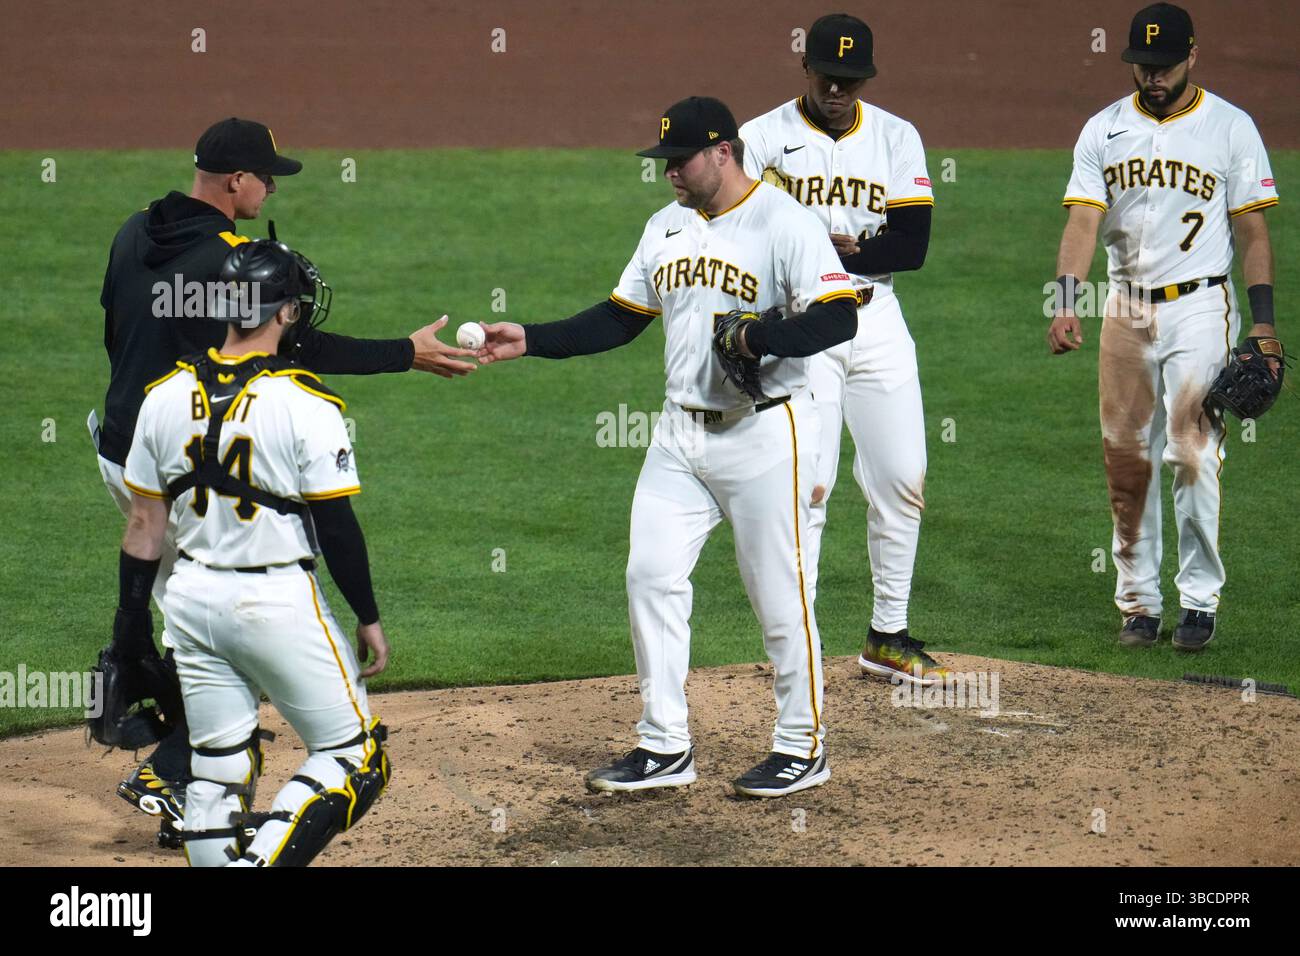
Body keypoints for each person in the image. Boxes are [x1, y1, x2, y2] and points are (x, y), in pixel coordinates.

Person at [95, 117, 473, 845]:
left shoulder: (133, 230)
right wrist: (406, 352)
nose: (270, 188)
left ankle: (188, 760)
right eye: (267, 177)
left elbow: (116, 329)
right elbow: (293, 343)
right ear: (236, 181)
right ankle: (176, 771)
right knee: (243, 607)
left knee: (188, 607)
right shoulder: (234, 261)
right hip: (198, 464)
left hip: (133, 447)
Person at [476, 96, 859, 797]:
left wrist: (757, 337)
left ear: (723, 152)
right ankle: (663, 745)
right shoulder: (666, 225)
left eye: (678, 161)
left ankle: (803, 747)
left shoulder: (786, 223)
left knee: (780, 596)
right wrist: (529, 338)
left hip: (766, 433)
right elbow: (621, 320)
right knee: (649, 577)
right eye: (663, 163)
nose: (669, 175)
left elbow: (838, 321)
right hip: (679, 438)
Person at [118, 238, 391, 866]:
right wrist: (368, 617)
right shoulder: (305, 402)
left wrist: (129, 627)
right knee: (355, 758)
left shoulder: (162, 396)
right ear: (285, 313)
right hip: (273, 603)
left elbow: (142, 528)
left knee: (217, 771)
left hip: (189, 603)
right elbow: (338, 529)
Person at [1047, 3, 1280, 650]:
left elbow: (1252, 230)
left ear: (1191, 57)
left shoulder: (1230, 127)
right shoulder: (1103, 129)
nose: (1152, 77)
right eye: (1143, 66)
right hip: (1124, 308)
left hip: (1200, 305)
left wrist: (1262, 325)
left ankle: (1199, 600)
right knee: (1126, 459)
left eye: (1164, 65)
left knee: (1192, 451)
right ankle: (1139, 606)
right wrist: (1067, 300)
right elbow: (1083, 222)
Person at [739, 13, 949, 686]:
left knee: (903, 477)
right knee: (814, 485)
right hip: (805, 326)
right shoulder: (761, 138)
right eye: (829, 78)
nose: (838, 91)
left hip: (877, 316)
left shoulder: (895, 136)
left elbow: (911, 247)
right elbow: (735, 235)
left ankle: (888, 635)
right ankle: (798, 643)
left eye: (851, 81)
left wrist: (850, 250)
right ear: (806, 69)